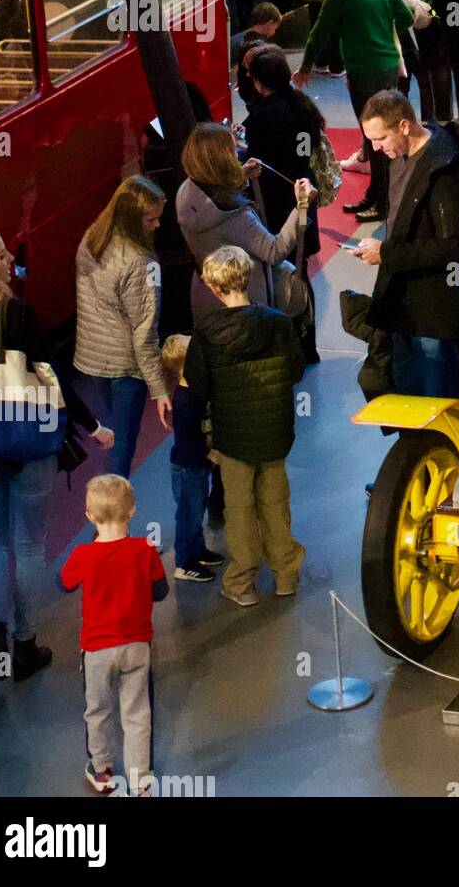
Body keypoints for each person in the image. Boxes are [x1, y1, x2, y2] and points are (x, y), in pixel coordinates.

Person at [0, 229, 114, 682]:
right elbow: (52, 376)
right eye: (0, 254)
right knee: (28, 544)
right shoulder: (15, 314)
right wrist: (92, 426)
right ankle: (24, 645)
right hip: (27, 440)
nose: (11, 258)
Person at [184, 246, 307, 607]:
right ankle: (285, 576)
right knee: (276, 502)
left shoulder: (206, 332)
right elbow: (296, 370)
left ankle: (241, 583)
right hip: (274, 431)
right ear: (249, 276)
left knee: (239, 509)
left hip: (233, 437)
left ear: (213, 287)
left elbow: (198, 385)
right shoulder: (279, 323)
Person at [350, 91, 459, 399]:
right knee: (409, 397)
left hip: (435, 313)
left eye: (380, 138)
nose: (375, 148)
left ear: (404, 126)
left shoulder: (444, 172)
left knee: (436, 400)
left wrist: (386, 253)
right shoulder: (399, 158)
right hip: (406, 306)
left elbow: (455, 246)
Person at [60, 474, 168, 796]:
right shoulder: (145, 550)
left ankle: (102, 770)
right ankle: (141, 780)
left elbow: (63, 583)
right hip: (137, 645)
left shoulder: (83, 555)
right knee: (137, 712)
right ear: (131, 511)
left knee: (97, 710)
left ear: (89, 516)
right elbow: (161, 592)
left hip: (96, 649)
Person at [296, 0, 417, 224]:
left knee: (375, 137)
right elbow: (407, 18)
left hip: (363, 72)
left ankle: (382, 203)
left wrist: (304, 68)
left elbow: (318, 35)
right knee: (381, 134)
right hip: (388, 68)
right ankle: (377, 195)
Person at [73, 176, 171, 479]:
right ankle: (114, 505)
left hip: (93, 358)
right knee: (124, 445)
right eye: (150, 219)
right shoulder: (143, 263)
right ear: (131, 218)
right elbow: (144, 332)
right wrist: (158, 388)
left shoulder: (92, 238)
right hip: (125, 365)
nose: (157, 225)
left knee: (117, 434)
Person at [175, 122, 313, 324]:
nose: (237, 155)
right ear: (222, 160)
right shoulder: (234, 214)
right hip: (246, 300)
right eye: (232, 151)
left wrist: (240, 175)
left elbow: (214, 187)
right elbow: (275, 250)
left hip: (207, 295)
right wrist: (303, 206)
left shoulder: (186, 191)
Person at [241, 43, 325, 363]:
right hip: (303, 192)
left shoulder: (262, 116)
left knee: (280, 273)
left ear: (259, 82)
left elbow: (255, 159)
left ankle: (287, 345)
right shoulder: (303, 107)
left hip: (276, 202)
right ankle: (307, 344)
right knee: (300, 274)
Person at [159, 335, 221, 583]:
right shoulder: (186, 399)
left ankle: (197, 550)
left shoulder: (192, 392)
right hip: (188, 467)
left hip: (194, 466)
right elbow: (189, 438)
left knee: (196, 509)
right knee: (188, 514)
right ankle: (184, 562)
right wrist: (209, 454)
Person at [400, 0, 451, 121]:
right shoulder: (426, 8)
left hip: (401, 53)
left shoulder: (395, 4)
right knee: (425, 87)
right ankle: (427, 119)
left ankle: (402, 118)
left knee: (402, 89)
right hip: (421, 54)